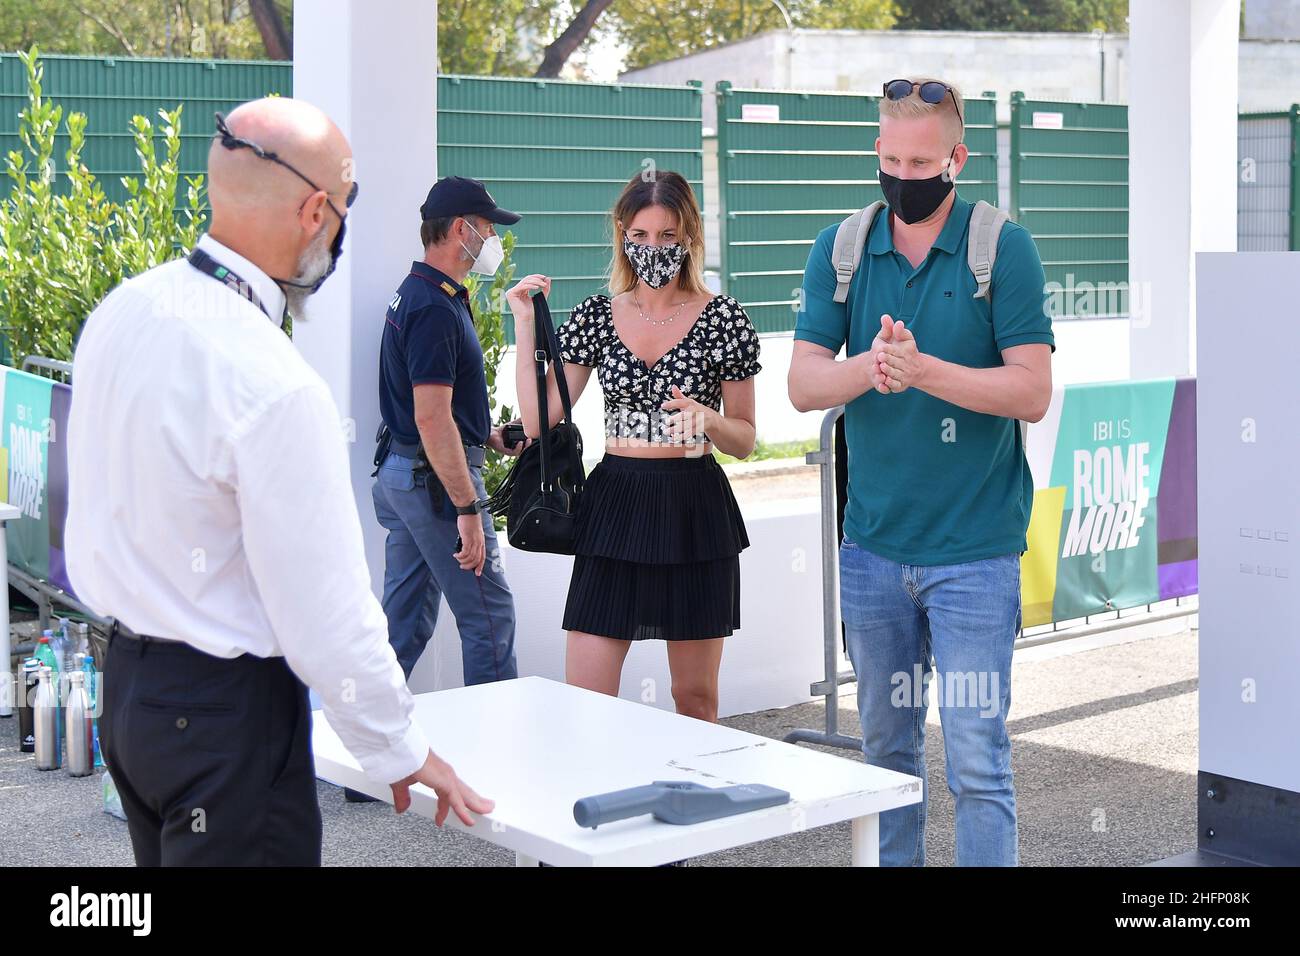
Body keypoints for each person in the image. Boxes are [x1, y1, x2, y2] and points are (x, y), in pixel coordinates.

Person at [65, 98, 492, 866]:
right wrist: (400, 749)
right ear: (315, 210)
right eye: (346, 208)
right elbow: (325, 610)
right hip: (225, 719)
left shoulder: (122, 313)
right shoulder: (271, 382)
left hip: (129, 695)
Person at [788, 77, 1055, 866]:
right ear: (877, 152)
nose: (906, 177)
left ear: (957, 159)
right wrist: (872, 367)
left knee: (977, 761)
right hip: (871, 550)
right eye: (892, 159)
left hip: (974, 553)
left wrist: (924, 369)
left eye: (923, 162)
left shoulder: (1002, 247)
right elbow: (804, 385)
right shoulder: (841, 247)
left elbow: (1032, 392)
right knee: (886, 762)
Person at [506, 170, 761, 723]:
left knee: (695, 700)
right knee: (588, 698)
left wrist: (708, 419)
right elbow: (537, 417)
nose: (653, 248)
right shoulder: (597, 315)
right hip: (615, 503)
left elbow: (744, 439)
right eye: (640, 235)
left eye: (668, 236)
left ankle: (691, 801)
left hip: (695, 508)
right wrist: (525, 324)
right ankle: (599, 804)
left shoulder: (725, 319)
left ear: (689, 237)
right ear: (622, 234)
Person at [372, 176, 525, 690]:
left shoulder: (422, 295)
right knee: (489, 614)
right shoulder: (434, 308)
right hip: (434, 486)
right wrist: (466, 509)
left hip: (406, 475)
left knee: (406, 624)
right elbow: (431, 417)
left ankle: (357, 747)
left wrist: (488, 433)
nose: (491, 242)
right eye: (487, 229)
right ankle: (498, 752)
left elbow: (440, 410)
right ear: (461, 229)